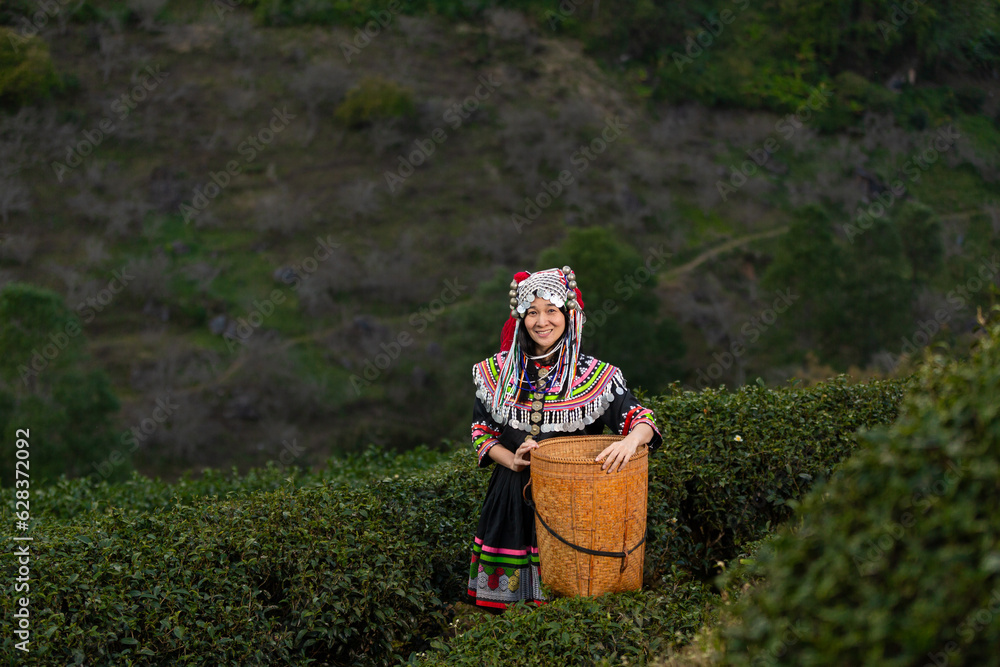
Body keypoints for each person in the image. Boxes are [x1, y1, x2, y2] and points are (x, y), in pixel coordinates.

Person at [467, 266, 662, 610]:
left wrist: (630, 442)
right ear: (521, 318)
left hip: (576, 504)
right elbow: (482, 432)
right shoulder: (496, 372)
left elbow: (641, 419)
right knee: (507, 617)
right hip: (511, 498)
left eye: (551, 311)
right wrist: (512, 459)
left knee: (570, 603)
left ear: (570, 315)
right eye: (532, 312)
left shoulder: (598, 376)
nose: (541, 321)